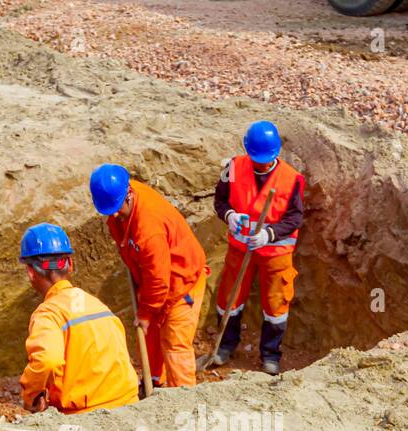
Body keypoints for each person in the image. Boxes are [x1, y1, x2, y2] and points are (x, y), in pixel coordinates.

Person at [90, 164, 209, 389]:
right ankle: (154, 381)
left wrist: (145, 312)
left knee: (174, 344)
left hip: (181, 283)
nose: (114, 215)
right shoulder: (120, 199)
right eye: (109, 210)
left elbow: (159, 278)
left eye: (117, 208)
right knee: (150, 335)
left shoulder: (148, 229)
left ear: (129, 194)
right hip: (154, 281)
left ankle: (183, 397)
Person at [210, 120, 305, 376]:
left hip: (275, 253)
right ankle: (225, 346)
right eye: (256, 159)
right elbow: (219, 200)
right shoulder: (231, 167)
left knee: (276, 306)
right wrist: (229, 215)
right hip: (240, 249)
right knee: (229, 299)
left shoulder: (291, 178)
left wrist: (269, 233)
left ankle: (271, 355)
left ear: (276, 153)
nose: (261, 164)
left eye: (265, 159)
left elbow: (295, 218)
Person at [17, 223, 139, 415]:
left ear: (31, 272)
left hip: (87, 415)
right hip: (129, 404)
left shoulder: (48, 313)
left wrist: (31, 396)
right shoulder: (99, 306)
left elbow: (47, 360)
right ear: (70, 264)